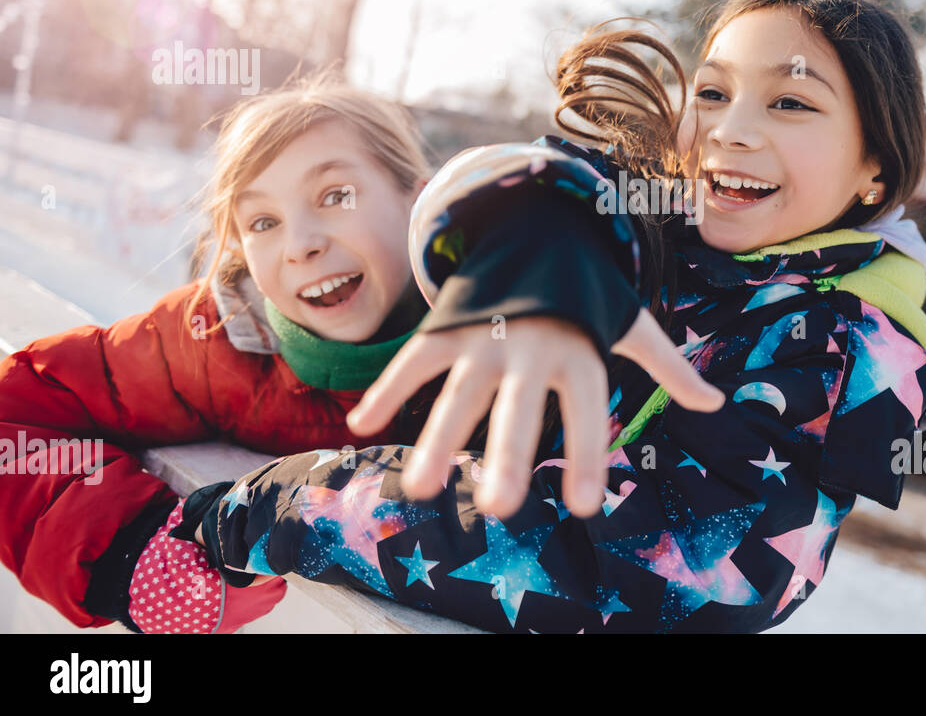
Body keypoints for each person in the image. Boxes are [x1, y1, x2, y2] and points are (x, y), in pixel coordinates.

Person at [201, 0, 926, 633]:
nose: (730, 131)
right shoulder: (664, 246)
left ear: (874, 166)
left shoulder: (838, 348)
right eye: (712, 91)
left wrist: (301, 504)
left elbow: (658, 566)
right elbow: (509, 196)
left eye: (792, 103)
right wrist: (540, 226)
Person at [0, 72, 713, 633]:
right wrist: (121, 550)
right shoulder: (213, 340)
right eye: (263, 220)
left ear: (417, 198)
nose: (300, 241)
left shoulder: (514, 331)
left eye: (334, 193)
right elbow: (15, 411)